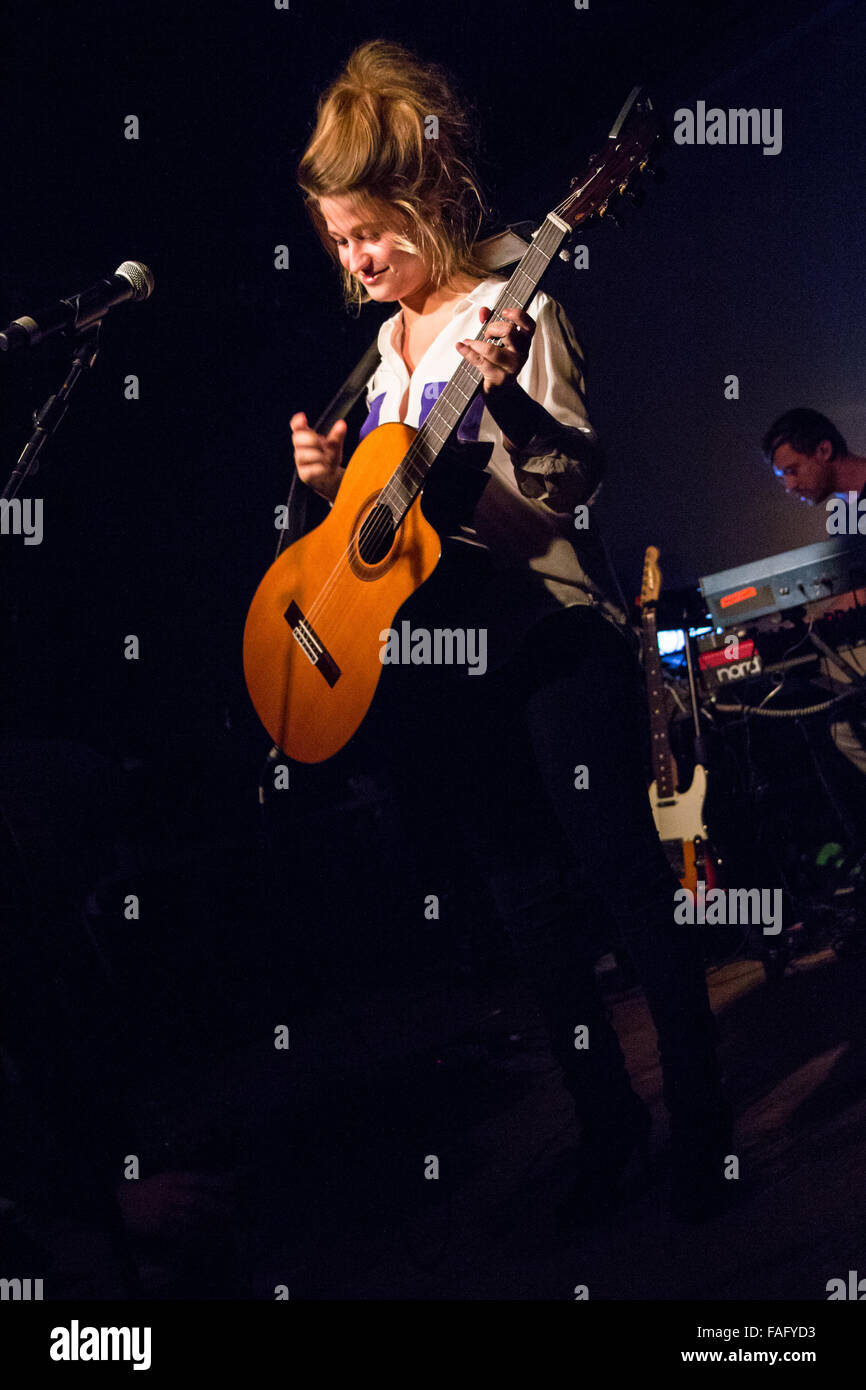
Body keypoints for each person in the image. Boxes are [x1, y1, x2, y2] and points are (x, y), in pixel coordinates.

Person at [290, 39, 732, 1223]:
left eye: (372, 231)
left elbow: (569, 486)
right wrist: (332, 483)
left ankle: (700, 1129)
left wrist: (509, 398)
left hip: (551, 639)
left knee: (624, 888)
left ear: (426, 202)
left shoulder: (509, 306)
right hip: (453, 665)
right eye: (338, 241)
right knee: (526, 911)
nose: (358, 257)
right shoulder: (377, 360)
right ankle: (606, 1125)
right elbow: (391, 542)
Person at [763, 408, 866, 779]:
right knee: (840, 725)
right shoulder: (847, 513)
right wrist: (805, 625)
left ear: (823, 450)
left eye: (792, 470)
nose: (789, 486)